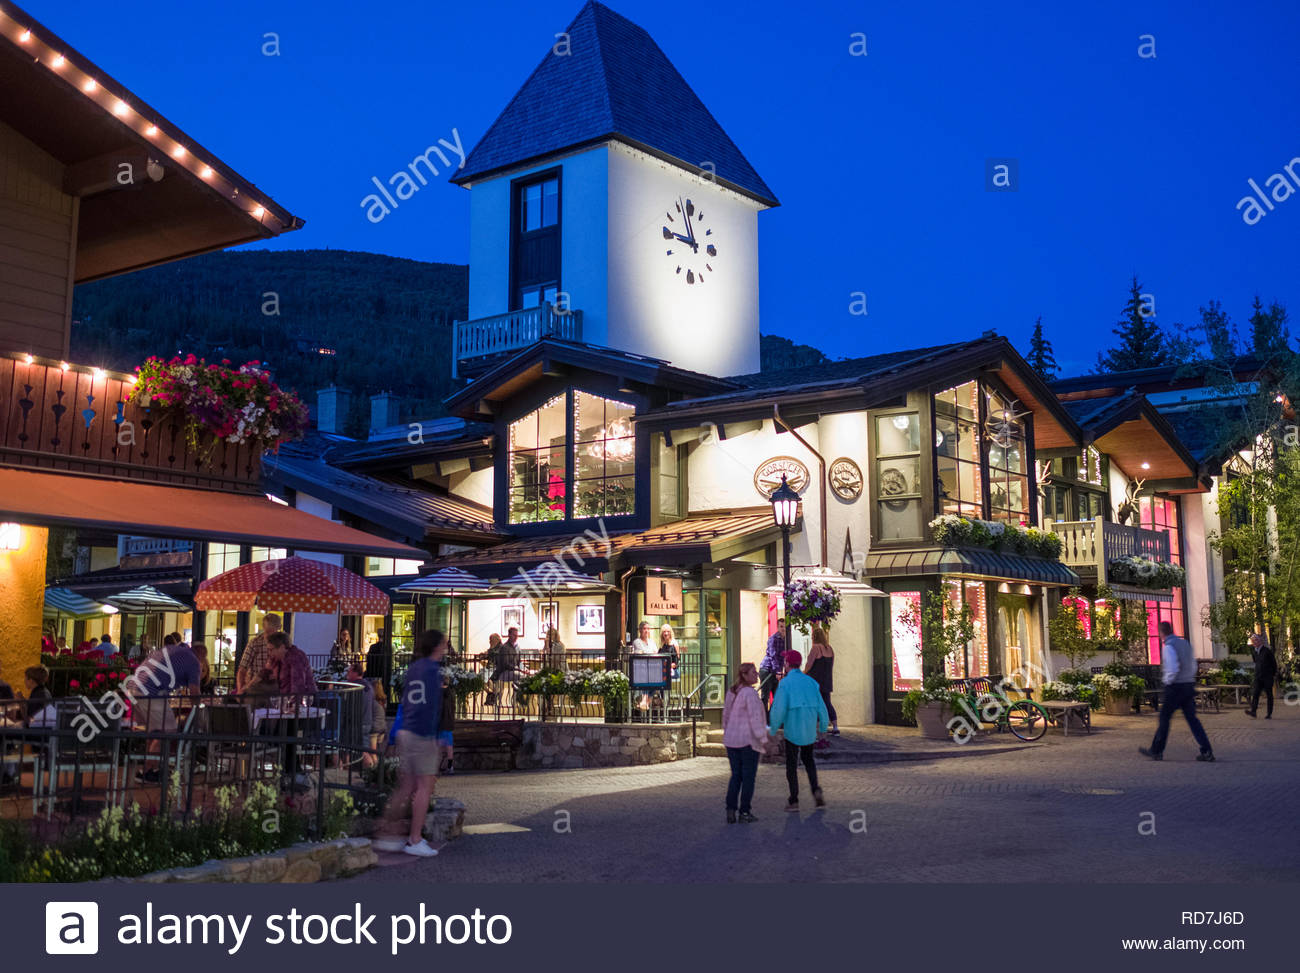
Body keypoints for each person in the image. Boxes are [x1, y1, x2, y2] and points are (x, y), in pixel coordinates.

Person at [375, 629, 446, 858]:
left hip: (406, 729)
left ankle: (386, 834)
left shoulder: (413, 669)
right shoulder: (434, 672)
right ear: (436, 647)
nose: (445, 647)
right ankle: (414, 839)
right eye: (443, 644)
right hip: (423, 734)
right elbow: (432, 706)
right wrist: (436, 736)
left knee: (405, 787)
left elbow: (408, 700)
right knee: (424, 787)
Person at [1140, 622, 1215, 762]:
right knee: (1193, 720)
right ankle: (1207, 750)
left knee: (1164, 718)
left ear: (1162, 633)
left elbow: (1173, 668)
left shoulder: (1169, 647)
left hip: (1175, 687)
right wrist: (1189, 678)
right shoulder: (1185, 644)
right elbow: (1193, 664)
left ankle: (1157, 750)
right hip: (1188, 685)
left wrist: (1167, 682)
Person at [128, 637, 200, 781]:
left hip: (134, 687)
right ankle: (147, 771)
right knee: (167, 731)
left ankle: (152, 769)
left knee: (153, 731)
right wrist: (198, 710)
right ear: (202, 655)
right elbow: (195, 692)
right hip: (150, 691)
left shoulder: (172, 650)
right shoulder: (194, 662)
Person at [768, 648, 829, 812]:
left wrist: (773, 728)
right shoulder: (810, 682)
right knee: (809, 761)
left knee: (791, 765)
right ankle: (816, 790)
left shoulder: (785, 684)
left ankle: (794, 799)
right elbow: (822, 708)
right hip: (809, 729)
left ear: (787, 664)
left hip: (792, 730)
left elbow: (778, 708)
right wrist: (823, 727)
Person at [721, 662, 767, 823]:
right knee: (748, 777)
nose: (757, 675)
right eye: (753, 673)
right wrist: (763, 738)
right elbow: (755, 718)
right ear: (745, 676)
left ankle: (731, 809)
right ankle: (745, 811)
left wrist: (727, 732)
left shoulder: (732, 692)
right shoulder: (750, 694)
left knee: (736, 776)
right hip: (747, 740)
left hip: (732, 740)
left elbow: (725, 715)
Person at [805, 627, 839, 739]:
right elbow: (832, 665)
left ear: (814, 637)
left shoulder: (815, 648)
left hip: (815, 680)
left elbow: (809, 664)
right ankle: (835, 727)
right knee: (827, 703)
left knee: (815, 704)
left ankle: (818, 729)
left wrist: (803, 673)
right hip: (827, 680)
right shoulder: (830, 649)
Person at [236, 613, 282, 694]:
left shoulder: (282, 645)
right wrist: (240, 690)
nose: (270, 636)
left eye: (273, 633)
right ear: (263, 628)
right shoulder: (255, 643)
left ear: (279, 628)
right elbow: (242, 669)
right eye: (268, 632)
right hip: (255, 689)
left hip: (275, 689)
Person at [267, 631, 317, 696]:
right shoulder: (276, 659)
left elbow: (298, 685)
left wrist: (293, 703)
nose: (269, 653)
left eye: (271, 650)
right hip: (284, 698)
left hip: (303, 699)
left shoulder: (296, 657)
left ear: (282, 647)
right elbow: (265, 672)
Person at [1246, 632, 1278, 719]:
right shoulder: (1254, 652)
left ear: (1260, 641)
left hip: (1267, 677)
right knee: (1255, 694)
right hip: (1258, 677)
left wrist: (1273, 674)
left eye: (1256, 640)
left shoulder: (1267, 651)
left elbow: (1274, 664)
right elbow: (1256, 662)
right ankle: (1253, 711)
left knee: (1269, 695)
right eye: (1253, 641)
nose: (1255, 642)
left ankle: (1269, 713)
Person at [759, 622, 786, 712]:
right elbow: (772, 655)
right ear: (777, 627)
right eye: (781, 626)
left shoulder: (785, 640)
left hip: (776, 671)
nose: (783, 629)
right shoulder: (773, 639)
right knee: (765, 696)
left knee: (777, 696)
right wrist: (778, 671)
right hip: (767, 669)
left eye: (784, 627)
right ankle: (764, 720)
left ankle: (772, 717)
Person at [364, 628, 393, 694]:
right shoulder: (388, 647)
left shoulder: (373, 647)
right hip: (384, 672)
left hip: (373, 673)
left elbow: (369, 660)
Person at [438, 669, 456, 775]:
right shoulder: (451, 692)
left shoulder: (439, 694)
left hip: (440, 723)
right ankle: (450, 766)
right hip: (449, 722)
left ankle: (437, 766)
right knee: (449, 746)